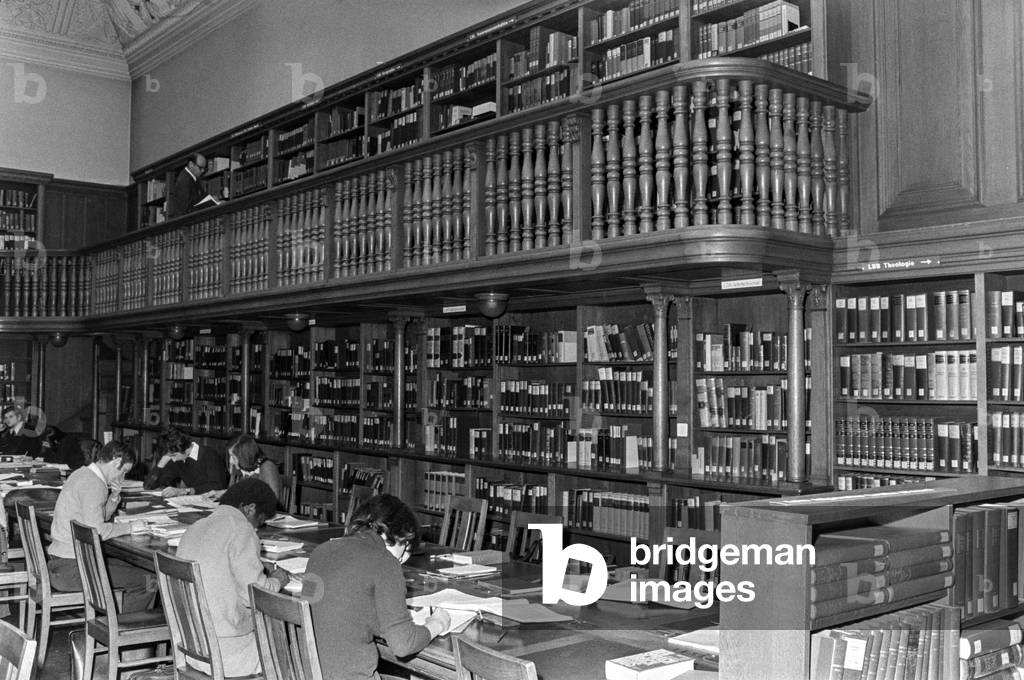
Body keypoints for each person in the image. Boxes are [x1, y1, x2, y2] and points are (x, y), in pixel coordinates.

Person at [304, 494, 450, 680]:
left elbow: (336, 611)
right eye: (406, 547)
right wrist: (436, 624)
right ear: (401, 535)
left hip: (306, 672)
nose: (403, 559)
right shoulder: (385, 563)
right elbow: (403, 645)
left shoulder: (320, 550)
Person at [176, 478, 290, 677]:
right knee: (292, 646)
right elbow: (255, 595)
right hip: (226, 656)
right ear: (250, 509)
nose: (257, 528)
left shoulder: (196, 526)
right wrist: (278, 580)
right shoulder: (240, 529)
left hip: (191, 648)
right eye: (260, 521)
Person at [47, 440, 153, 611]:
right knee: (149, 579)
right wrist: (131, 527)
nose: (123, 478)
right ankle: (122, 630)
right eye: (124, 471)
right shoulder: (94, 484)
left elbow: (93, 518)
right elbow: (96, 531)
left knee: (132, 568)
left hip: (59, 562)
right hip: (74, 568)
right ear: (117, 462)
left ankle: (112, 619)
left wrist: (113, 498)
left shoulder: (82, 473)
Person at [144, 426, 227, 497]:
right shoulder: (178, 458)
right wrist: (162, 463)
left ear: (186, 449)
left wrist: (185, 491)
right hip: (194, 502)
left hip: (213, 504)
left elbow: (218, 486)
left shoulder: (209, 454)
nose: (173, 459)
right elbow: (148, 486)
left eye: (174, 455)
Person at [225, 434, 282, 500]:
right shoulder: (241, 468)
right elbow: (232, 493)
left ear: (245, 456)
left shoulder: (267, 467)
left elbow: (273, 499)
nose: (231, 461)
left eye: (233, 457)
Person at [167, 152, 206, 218]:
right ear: (191, 164)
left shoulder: (192, 179)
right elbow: (185, 209)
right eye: (200, 168)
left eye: (204, 168)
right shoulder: (184, 180)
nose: (202, 171)